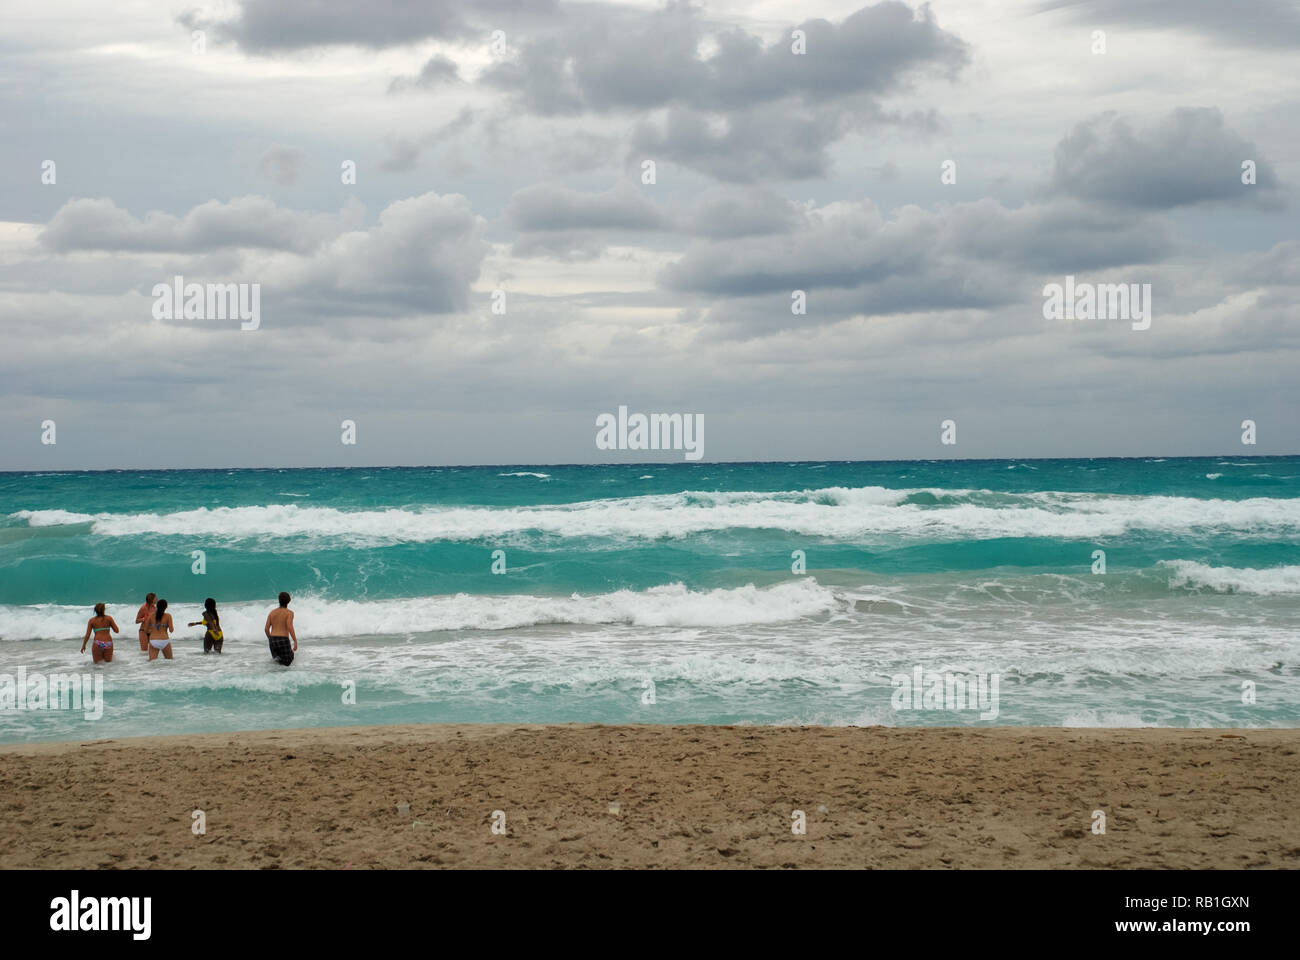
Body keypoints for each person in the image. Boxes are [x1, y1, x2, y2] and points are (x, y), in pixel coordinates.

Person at [264, 591, 297, 666]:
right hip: (283, 639)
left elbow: (266, 629)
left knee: (277, 663)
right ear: (289, 601)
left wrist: (271, 639)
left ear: (279, 600)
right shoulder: (289, 613)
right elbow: (289, 626)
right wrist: (295, 641)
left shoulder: (272, 612)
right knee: (288, 663)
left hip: (272, 640)